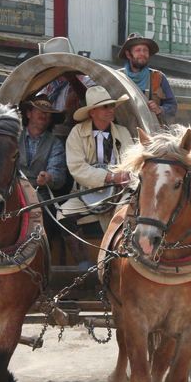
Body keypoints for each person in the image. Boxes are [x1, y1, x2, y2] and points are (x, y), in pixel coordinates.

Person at [59, 86, 138, 266]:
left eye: (112, 106)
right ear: (92, 112)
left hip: (119, 193)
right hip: (84, 192)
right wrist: (110, 177)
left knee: (130, 213)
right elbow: (77, 168)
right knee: (63, 215)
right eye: (105, 107)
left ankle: (121, 263)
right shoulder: (77, 132)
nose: (111, 110)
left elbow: (132, 163)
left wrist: (124, 178)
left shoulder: (123, 132)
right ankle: (84, 264)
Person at [118, 33, 177, 125]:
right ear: (128, 54)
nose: (142, 53)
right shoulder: (118, 76)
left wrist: (160, 109)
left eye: (145, 50)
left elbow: (172, 106)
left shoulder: (158, 77)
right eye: (138, 50)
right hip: (124, 130)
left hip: (152, 131)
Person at [17, 95, 67, 192]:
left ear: (51, 119)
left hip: (40, 195)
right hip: (12, 191)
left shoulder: (55, 143)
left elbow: (58, 173)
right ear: (28, 114)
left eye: (48, 113)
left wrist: (49, 178)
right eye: (39, 110)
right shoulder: (14, 137)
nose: (44, 115)